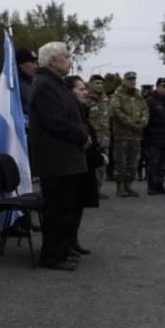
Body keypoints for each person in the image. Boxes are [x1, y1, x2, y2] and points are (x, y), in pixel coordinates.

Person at [25, 45, 90, 271]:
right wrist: (82, 133)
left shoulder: (55, 83)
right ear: (53, 60)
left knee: (66, 209)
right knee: (57, 210)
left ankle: (61, 251)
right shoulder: (45, 85)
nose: (69, 60)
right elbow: (56, 122)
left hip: (66, 158)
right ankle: (52, 256)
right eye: (65, 57)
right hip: (56, 159)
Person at [65, 75, 103, 257]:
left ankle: (73, 241)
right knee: (70, 207)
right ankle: (66, 243)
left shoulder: (81, 108)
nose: (84, 92)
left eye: (83, 88)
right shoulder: (69, 109)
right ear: (69, 91)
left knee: (79, 205)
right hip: (74, 163)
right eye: (80, 89)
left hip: (85, 163)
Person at [109, 72, 148, 197]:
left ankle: (128, 186)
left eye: (134, 79)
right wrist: (132, 124)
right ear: (124, 80)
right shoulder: (117, 94)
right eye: (129, 79)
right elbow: (116, 111)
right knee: (121, 162)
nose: (132, 81)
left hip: (136, 135)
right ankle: (120, 187)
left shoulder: (138, 95)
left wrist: (143, 121)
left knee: (134, 162)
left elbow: (145, 110)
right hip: (122, 135)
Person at [144, 77, 165, 195]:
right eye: (163, 86)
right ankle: (152, 186)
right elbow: (146, 121)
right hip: (154, 138)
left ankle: (160, 184)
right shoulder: (150, 101)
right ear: (157, 86)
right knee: (153, 164)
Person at [86, 74, 112, 197]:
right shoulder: (86, 99)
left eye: (101, 83)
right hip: (92, 138)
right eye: (97, 83)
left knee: (103, 164)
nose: (100, 86)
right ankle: (90, 190)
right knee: (91, 165)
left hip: (105, 138)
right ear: (90, 84)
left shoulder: (105, 99)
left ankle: (98, 188)